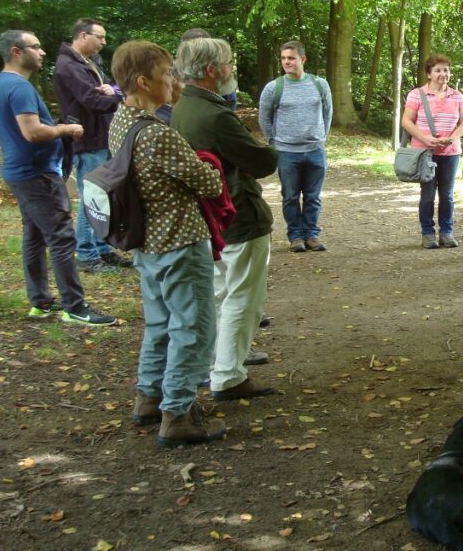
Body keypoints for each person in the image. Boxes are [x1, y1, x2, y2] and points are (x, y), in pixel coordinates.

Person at [108, 40, 226, 446]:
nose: (173, 80)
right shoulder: (159, 135)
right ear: (143, 81)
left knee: (159, 323)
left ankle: (149, 397)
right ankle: (178, 413)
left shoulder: (120, 122)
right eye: (166, 75)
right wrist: (206, 164)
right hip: (178, 239)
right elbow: (209, 182)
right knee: (193, 327)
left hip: (146, 242)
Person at [172, 38, 280, 401]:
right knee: (242, 298)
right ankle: (229, 376)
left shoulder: (183, 107)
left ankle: (217, 367)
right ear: (210, 70)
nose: (232, 69)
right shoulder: (215, 115)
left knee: (221, 295)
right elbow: (262, 162)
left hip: (210, 216)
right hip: (236, 214)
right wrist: (270, 149)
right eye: (229, 63)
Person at [0, 30, 116, 326]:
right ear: (17, 52)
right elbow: (32, 132)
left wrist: (56, 127)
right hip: (36, 174)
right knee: (61, 236)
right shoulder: (18, 87)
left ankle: (41, 302)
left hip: (23, 171)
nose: (43, 52)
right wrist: (66, 130)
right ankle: (75, 306)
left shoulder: (3, 83)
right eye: (36, 47)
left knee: (34, 235)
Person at [52, 18, 133, 273]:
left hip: (101, 137)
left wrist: (114, 91)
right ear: (83, 35)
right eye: (100, 37)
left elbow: (108, 89)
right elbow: (92, 100)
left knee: (102, 196)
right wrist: (120, 96)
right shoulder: (68, 66)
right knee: (92, 198)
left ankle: (103, 248)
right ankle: (87, 254)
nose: (104, 42)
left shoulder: (89, 62)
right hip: (87, 140)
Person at [258, 40, 333, 253]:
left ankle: (311, 234)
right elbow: (264, 118)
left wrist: (321, 137)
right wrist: (274, 141)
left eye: (291, 58)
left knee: (313, 196)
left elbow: (328, 113)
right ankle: (295, 236)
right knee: (290, 196)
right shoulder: (274, 88)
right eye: (283, 58)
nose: (286, 62)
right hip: (287, 151)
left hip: (315, 150)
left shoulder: (320, 84)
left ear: (303, 59)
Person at [400, 54, 463, 248]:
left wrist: (452, 138)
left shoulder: (457, 96)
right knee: (428, 194)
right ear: (429, 74)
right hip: (424, 152)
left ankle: (447, 232)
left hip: (450, 152)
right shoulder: (417, 94)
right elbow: (406, 121)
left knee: (447, 195)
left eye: (446, 70)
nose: (443, 74)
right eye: (438, 70)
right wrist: (424, 138)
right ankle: (428, 233)